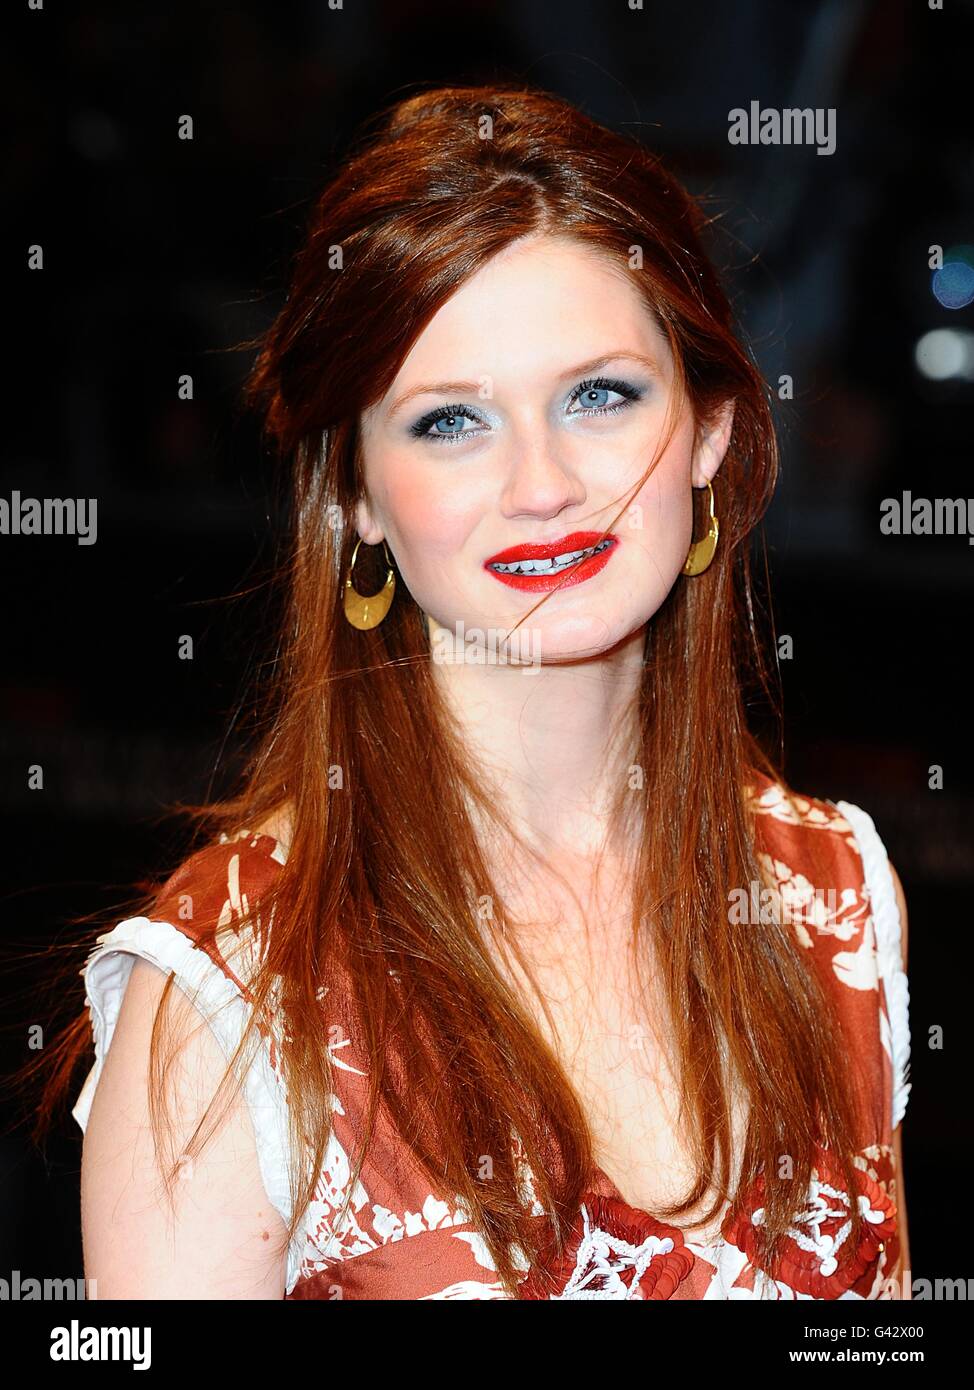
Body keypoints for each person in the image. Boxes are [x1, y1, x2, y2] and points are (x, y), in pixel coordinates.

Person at [35, 83, 911, 1300]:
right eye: (449, 421)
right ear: (353, 498)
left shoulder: (836, 897)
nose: (541, 483)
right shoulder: (236, 993)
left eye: (599, 394)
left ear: (711, 424)